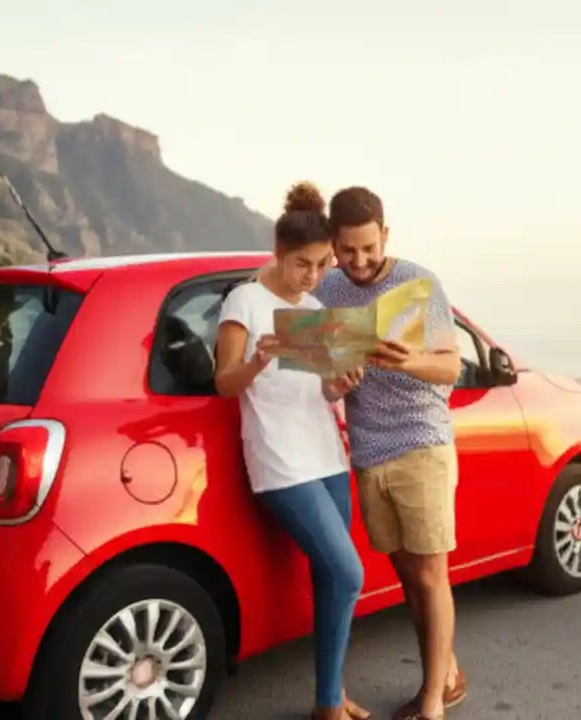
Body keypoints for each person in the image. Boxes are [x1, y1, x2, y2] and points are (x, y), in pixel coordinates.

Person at [214, 181, 371, 720]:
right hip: (279, 460)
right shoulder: (245, 301)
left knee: (332, 579)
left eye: (324, 264)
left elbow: (323, 389)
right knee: (350, 573)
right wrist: (259, 361)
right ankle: (328, 702)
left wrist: (342, 382)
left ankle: (330, 699)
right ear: (278, 254)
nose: (315, 276)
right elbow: (225, 383)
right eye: (305, 264)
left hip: (326, 454)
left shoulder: (315, 307)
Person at [313, 186, 466, 720]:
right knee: (407, 574)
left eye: (368, 249)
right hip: (368, 450)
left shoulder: (419, 284)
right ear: (333, 243)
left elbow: (451, 369)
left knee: (430, 573)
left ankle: (432, 699)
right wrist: (339, 377)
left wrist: (409, 361)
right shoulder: (328, 287)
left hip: (421, 443)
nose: (358, 262)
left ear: (386, 236)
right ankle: (444, 670)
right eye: (347, 251)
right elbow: (322, 371)